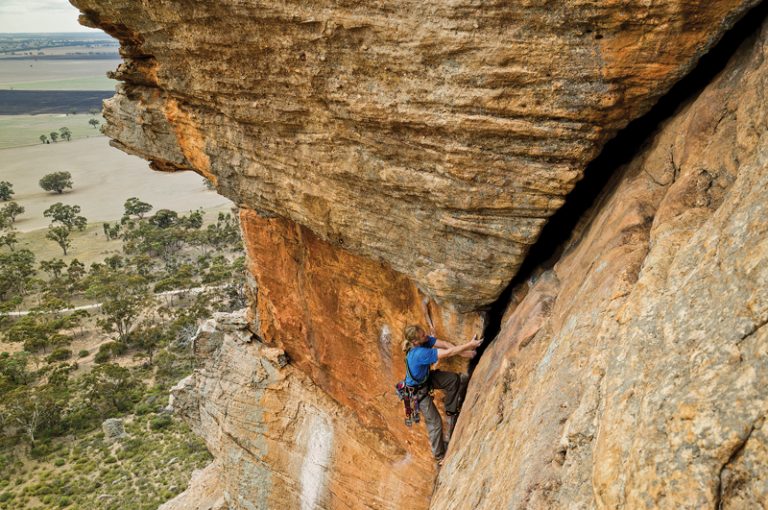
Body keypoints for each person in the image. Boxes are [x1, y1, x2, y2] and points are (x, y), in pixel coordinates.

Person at [402, 324, 482, 464]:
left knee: (453, 380)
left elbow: (445, 344)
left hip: (425, 379)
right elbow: (448, 353)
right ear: (415, 342)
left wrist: (464, 352)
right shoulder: (419, 353)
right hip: (416, 392)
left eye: (424, 333)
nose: (426, 336)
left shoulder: (424, 340)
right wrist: (469, 344)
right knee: (436, 422)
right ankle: (439, 456)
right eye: (423, 336)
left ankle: (451, 411)